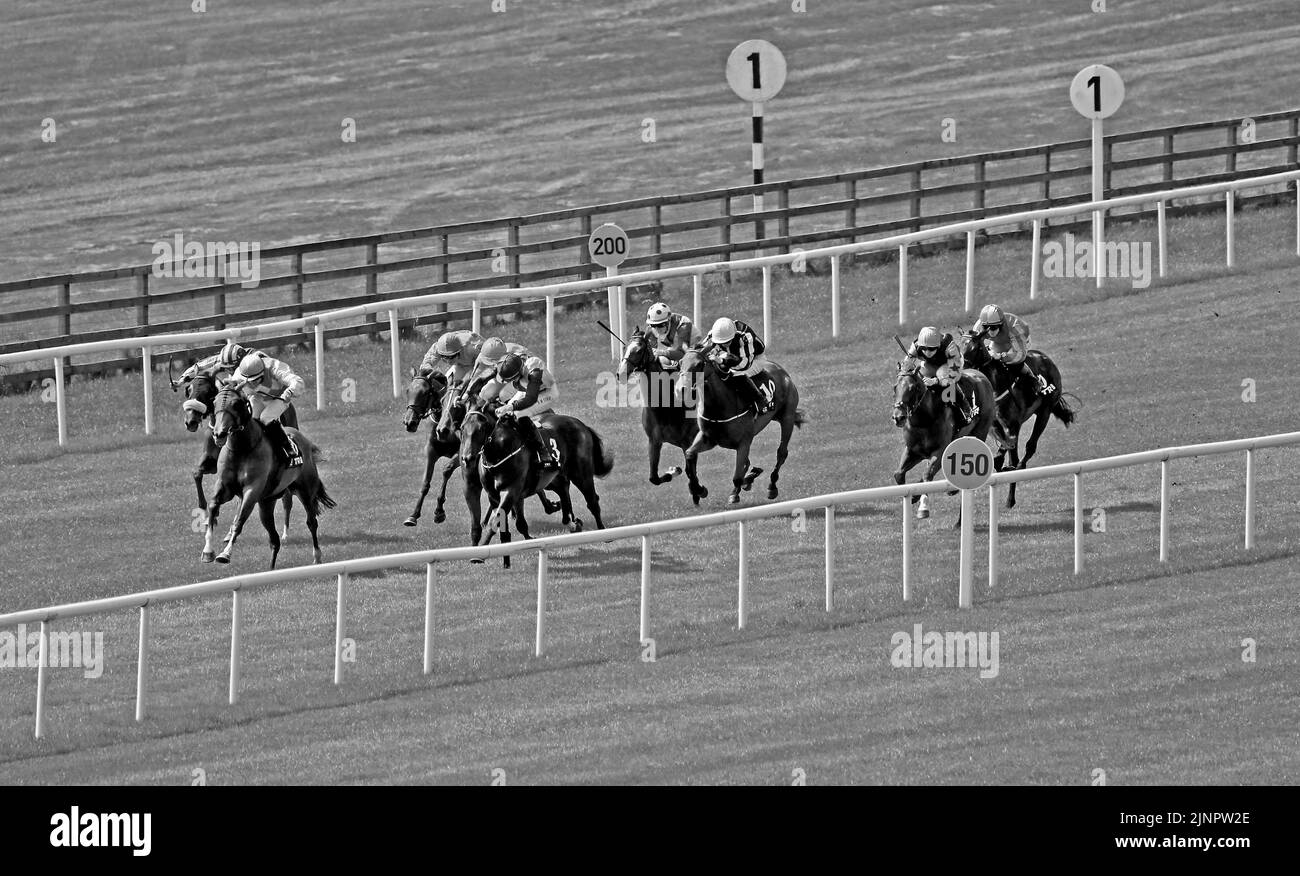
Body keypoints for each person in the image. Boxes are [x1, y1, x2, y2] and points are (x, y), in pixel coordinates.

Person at [476, 353, 560, 471]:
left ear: (517, 373)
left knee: (518, 414)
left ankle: (544, 453)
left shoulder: (534, 372)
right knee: (504, 413)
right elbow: (488, 375)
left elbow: (531, 399)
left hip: (546, 393)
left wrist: (510, 407)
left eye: (511, 379)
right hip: (529, 388)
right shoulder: (508, 363)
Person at [228, 351, 306, 467]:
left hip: (279, 397)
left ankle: (289, 447)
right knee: (252, 420)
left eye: (256, 380)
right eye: (249, 381)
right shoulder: (239, 375)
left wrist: (288, 393)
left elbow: (298, 382)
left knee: (266, 417)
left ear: (263, 373)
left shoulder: (274, 367)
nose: (253, 384)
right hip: (258, 397)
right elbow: (230, 390)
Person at [971, 304, 1053, 396]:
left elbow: (1019, 355)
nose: (990, 331)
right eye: (986, 327)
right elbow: (975, 346)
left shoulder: (1015, 328)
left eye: (994, 327)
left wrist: (1002, 356)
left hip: (1019, 340)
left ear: (1001, 325)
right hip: (999, 341)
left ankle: (1033, 380)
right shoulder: (978, 327)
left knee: (1014, 363)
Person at [698, 317, 773, 414]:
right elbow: (702, 351)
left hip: (755, 359)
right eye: (720, 343)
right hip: (731, 357)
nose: (724, 345)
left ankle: (760, 401)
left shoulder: (745, 336)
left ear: (733, 336)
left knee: (737, 374)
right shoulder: (714, 334)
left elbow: (744, 365)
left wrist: (721, 360)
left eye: (727, 342)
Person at [905, 326, 975, 425]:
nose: (927, 352)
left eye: (931, 349)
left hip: (951, 363)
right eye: (923, 349)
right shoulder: (915, 346)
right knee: (920, 375)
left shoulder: (949, 347)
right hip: (931, 363)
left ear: (938, 346)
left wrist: (936, 380)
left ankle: (965, 408)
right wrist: (906, 370)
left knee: (945, 378)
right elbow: (907, 364)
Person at [460, 336, 533, 401]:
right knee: (485, 393)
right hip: (505, 374)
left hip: (525, 377)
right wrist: (466, 394)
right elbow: (475, 377)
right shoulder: (484, 355)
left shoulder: (519, 356)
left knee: (504, 395)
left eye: (492, 362)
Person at [419, 329, 484, 387]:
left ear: (459, 350)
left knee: (470, 385)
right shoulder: (438, 347)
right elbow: (426, 364)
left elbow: (487, 361)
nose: (448, 361)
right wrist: (431, 372)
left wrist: (469, 378)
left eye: (451, 357)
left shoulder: (472, 347)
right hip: (461, 364)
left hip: (480, 364)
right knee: (448, 385)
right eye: (444, 357)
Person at [643, 302, 694, 371]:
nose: (657, 329)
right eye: (653, 325)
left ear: (668, 320)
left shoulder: (683, 325)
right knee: (661, 360)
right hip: (675, 347)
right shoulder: (651, 329)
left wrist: (662, 352)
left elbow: (683, 354)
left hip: (692, 347)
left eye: (661, 325)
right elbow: (650, 351)